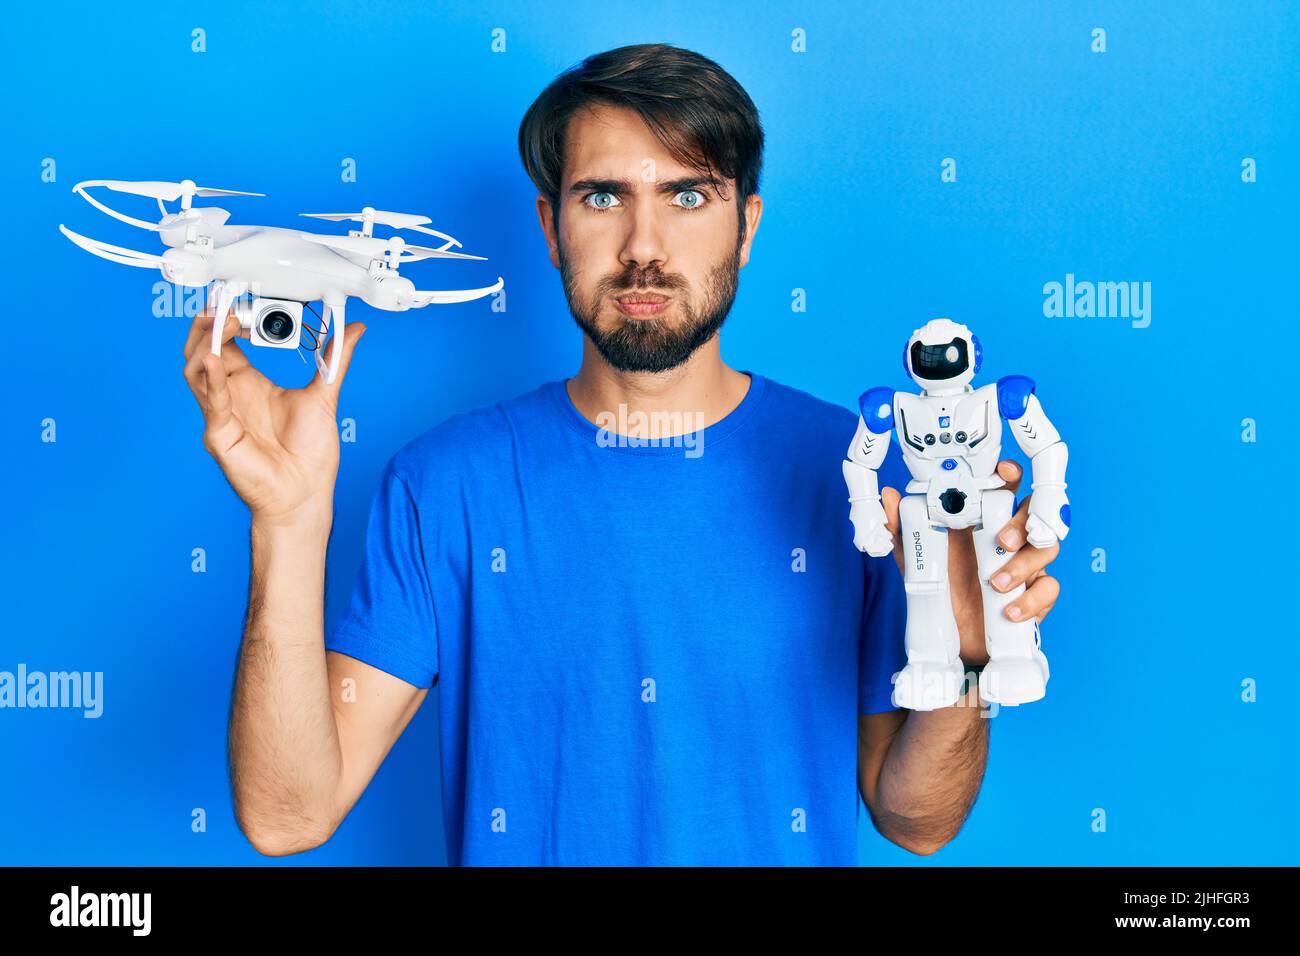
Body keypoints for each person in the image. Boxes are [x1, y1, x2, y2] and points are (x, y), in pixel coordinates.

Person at [182, 43, 1062, 865]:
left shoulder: (854, 479)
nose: (644, 248)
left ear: (746, 226)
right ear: (551, 226)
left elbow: (918, 819)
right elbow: (287, 814)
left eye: (688, 196)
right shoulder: (444, 486)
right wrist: (289, 523)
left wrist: (969, 659)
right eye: (603, 197)